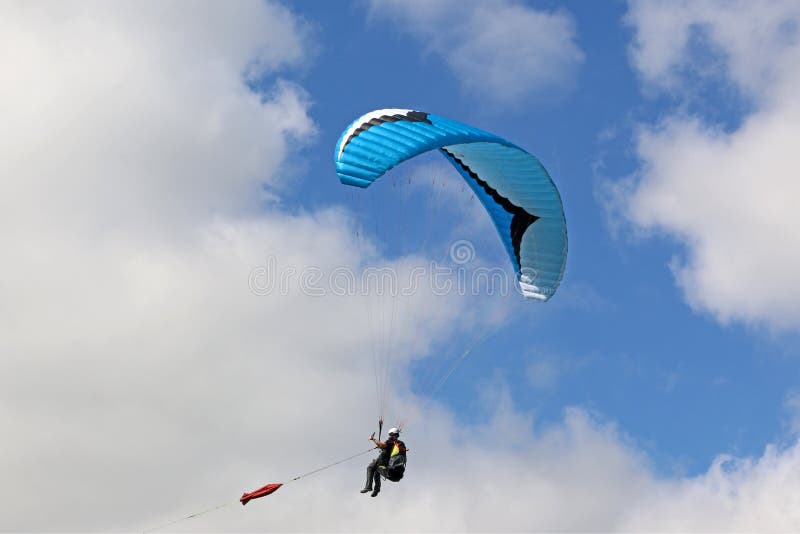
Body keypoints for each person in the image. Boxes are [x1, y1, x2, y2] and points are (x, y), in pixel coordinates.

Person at [360, 427, 407, 497]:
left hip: (390, 472)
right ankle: (376, 490)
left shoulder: (390, 441)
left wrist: (373, 439)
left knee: (370, 467)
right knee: (377, 469)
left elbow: (382, 445)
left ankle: (369, 487)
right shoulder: (400, 444)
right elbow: (385, 447)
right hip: (397, 475)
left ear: (391, 434)